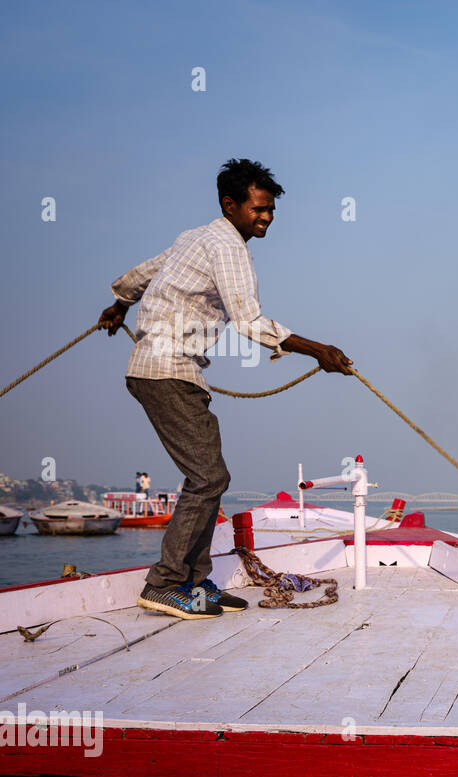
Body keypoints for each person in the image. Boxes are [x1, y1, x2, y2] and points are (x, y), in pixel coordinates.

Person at [98, 159, 353, 620]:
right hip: (166, 369)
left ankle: (195, 584)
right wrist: (318, 350)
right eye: (258, 209)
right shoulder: (228, 247)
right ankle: (165, 583)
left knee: (209, 476)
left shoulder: (193, 238)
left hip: (171, 371)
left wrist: (119, 304)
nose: (267, 217)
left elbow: (140, 275)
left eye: (271, 209)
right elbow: (249, 321)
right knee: (208, 478)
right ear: (230, 205)